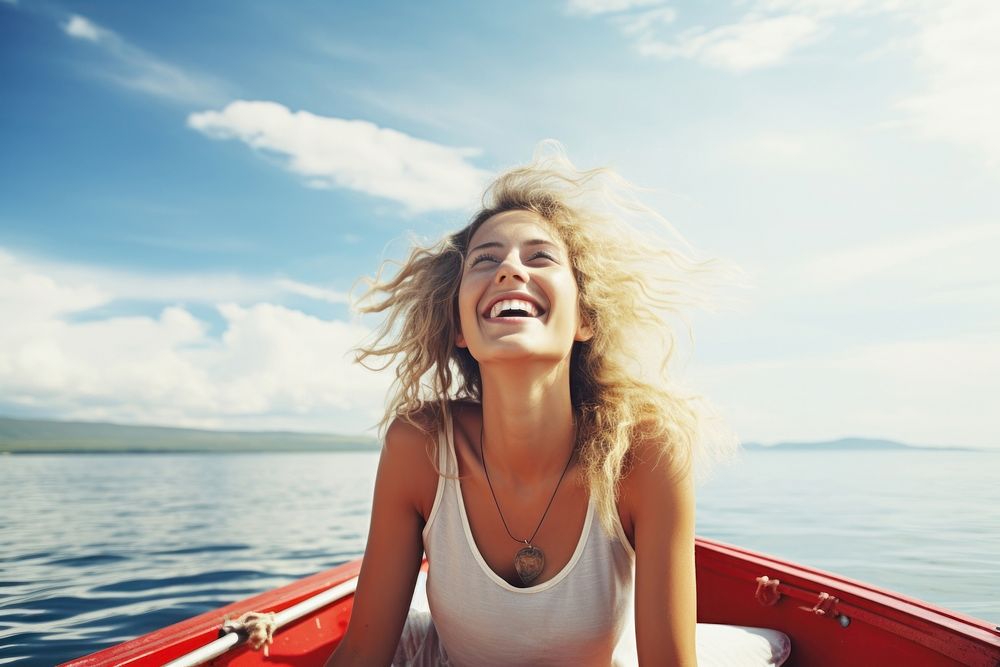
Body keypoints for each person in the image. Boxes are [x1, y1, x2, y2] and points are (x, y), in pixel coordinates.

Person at [326, 143, 738, 666]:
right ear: (458, 328)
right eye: (485, 259)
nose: (510, 270)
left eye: (539, 256)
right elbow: (362, 652)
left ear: (586, 318)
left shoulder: (645, 454)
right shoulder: (419, 445)